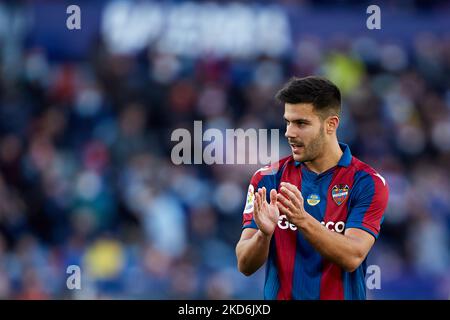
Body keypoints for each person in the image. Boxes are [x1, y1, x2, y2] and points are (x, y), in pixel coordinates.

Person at [235, 76, 389, 300]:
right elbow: (244, 264)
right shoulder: (267, 179)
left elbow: (352, 257)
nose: (289, 132)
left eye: (301, 123)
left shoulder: (367, 183)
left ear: (331, 124)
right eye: (288, 122)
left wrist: (302, 219)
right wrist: (264, 235)